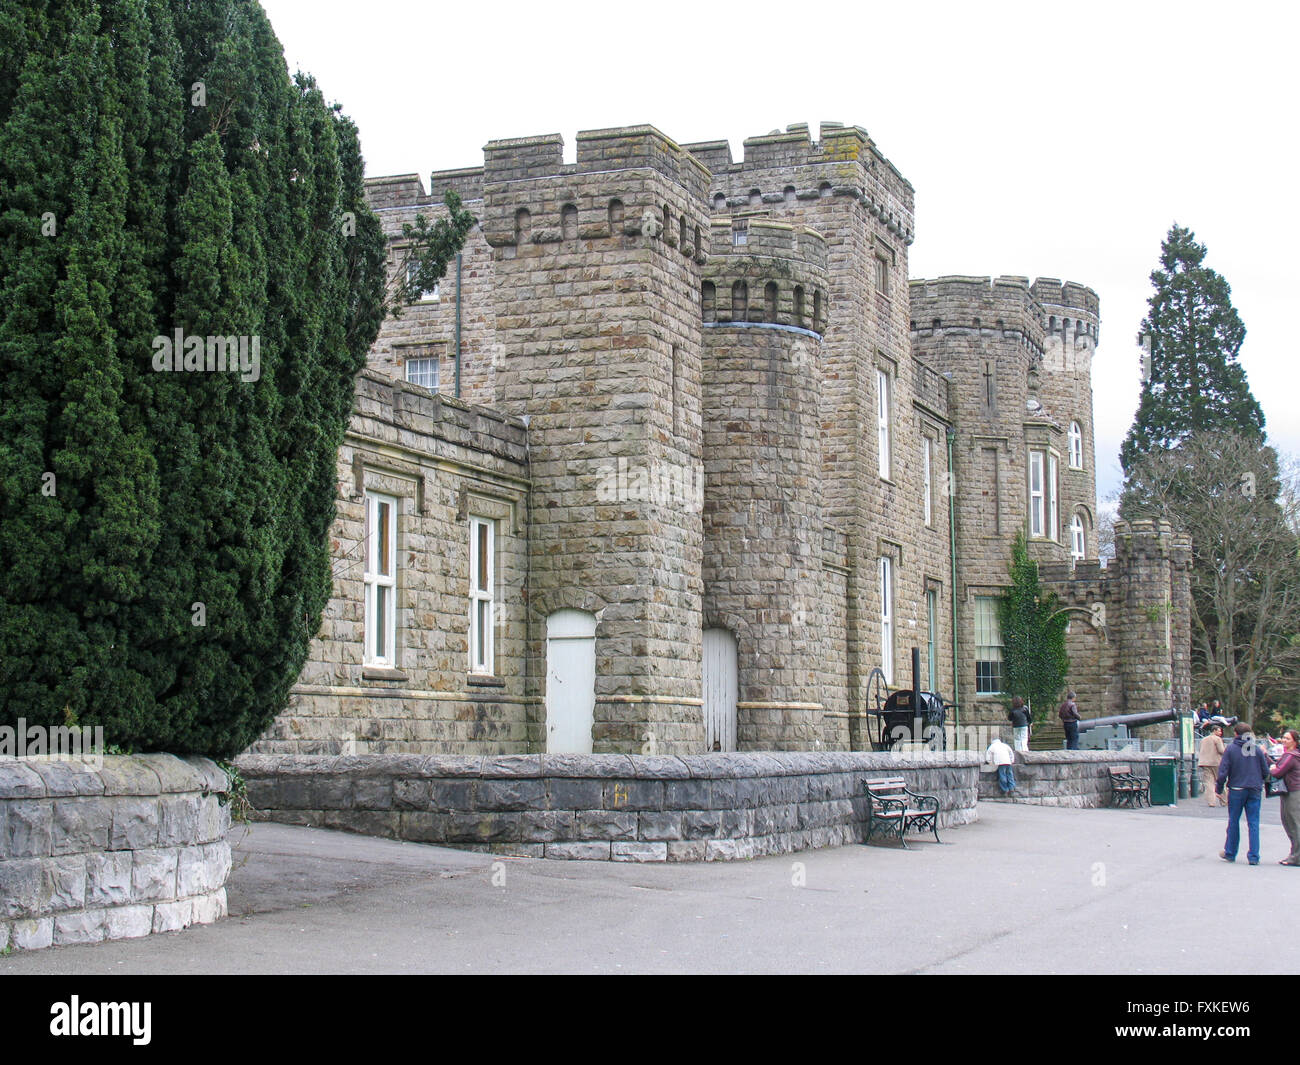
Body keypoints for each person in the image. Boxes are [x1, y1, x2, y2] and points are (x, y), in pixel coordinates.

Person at [1215, 721, 1271, 865]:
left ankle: (1230, 852)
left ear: (1236, 734)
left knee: (1233, 821)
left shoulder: (1231, 749)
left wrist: (1219, 788)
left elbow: (1223, 771)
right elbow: (1265, 771)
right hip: (1254, 789)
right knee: (1253, 822)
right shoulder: (1256, 749)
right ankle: (1253, 856)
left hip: (1236, 789)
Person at [1269, 728, 1300, 867]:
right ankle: (1294, 854)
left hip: (1294, 791)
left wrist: (1272, 768)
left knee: (1293, 823)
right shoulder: (1290, 754)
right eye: (1283, 738)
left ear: (1294, 741)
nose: (1284, 740)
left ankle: (1296, 856)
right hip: (1290, 791)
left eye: (1288, 738)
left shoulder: (1291, 756)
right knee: (1288, 821)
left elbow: (1278, 771)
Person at [1199, 724, 1226, 807]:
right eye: (1219, 731)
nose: (1220, 732)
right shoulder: (1217, 739)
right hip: (1216, 762)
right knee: (1221, 781)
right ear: (1214, 731)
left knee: (1209, 783)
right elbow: (1221, 750)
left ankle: (1211, 802)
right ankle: (1224, 801)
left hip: (1205, 763)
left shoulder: (1203, 739)